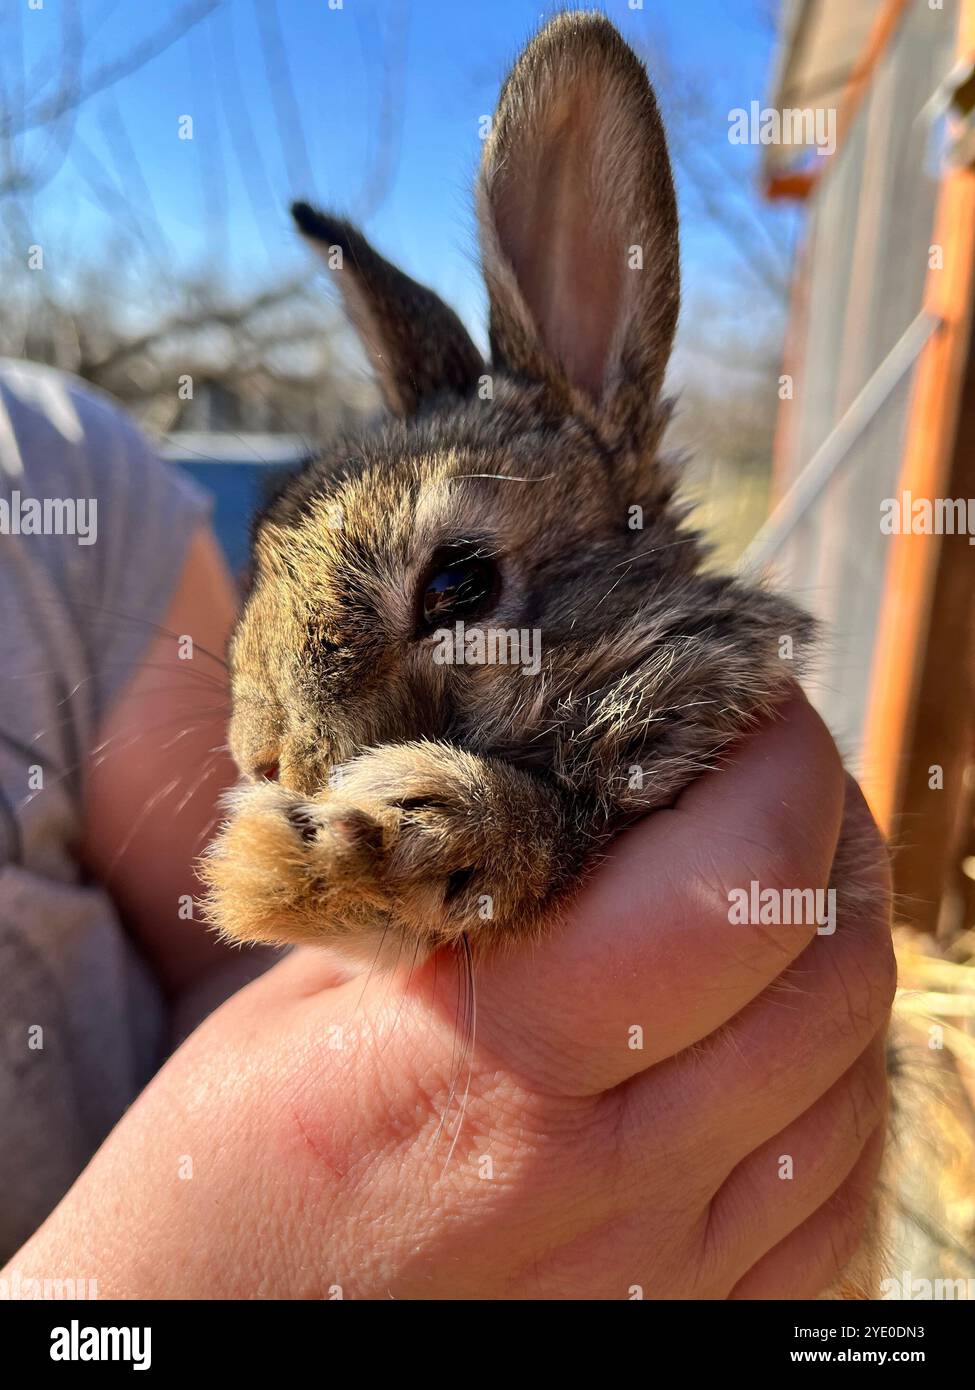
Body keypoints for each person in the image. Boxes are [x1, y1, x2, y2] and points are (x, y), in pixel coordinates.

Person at [0, 361, 894, 1299]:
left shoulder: (57, 463)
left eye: (457, 588)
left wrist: (524, 836)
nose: (256, 750)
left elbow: (226, 960)